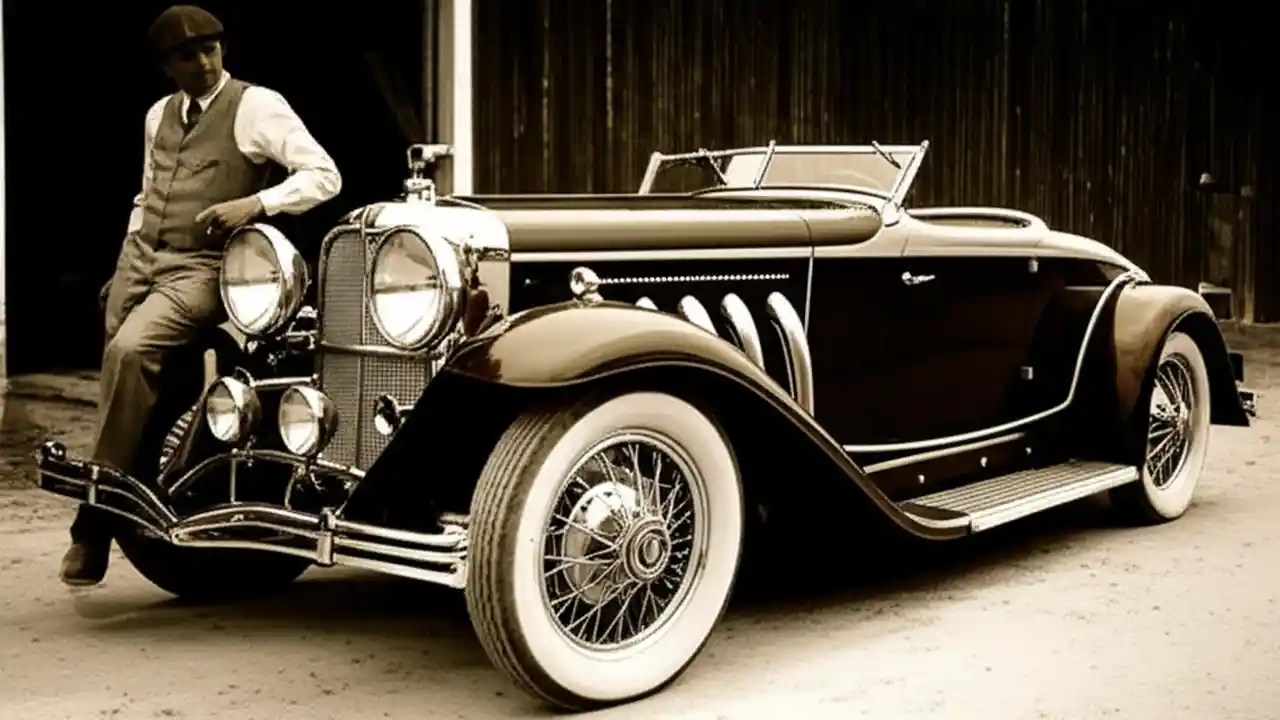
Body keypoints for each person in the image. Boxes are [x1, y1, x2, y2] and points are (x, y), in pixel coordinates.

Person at [60, 4, 342, 585]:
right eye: (188, 55)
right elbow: (149, 191)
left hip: (205, 268)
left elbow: (324, 175)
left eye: (212, 49)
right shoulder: (157, 114)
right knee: (120, 374)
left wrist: (256, 205)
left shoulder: (255, 106)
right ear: (167, 66)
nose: (205, 62)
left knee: (131, 353)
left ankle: (93, 524)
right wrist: (130, 251)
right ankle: (146, 465)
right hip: (143, 257)